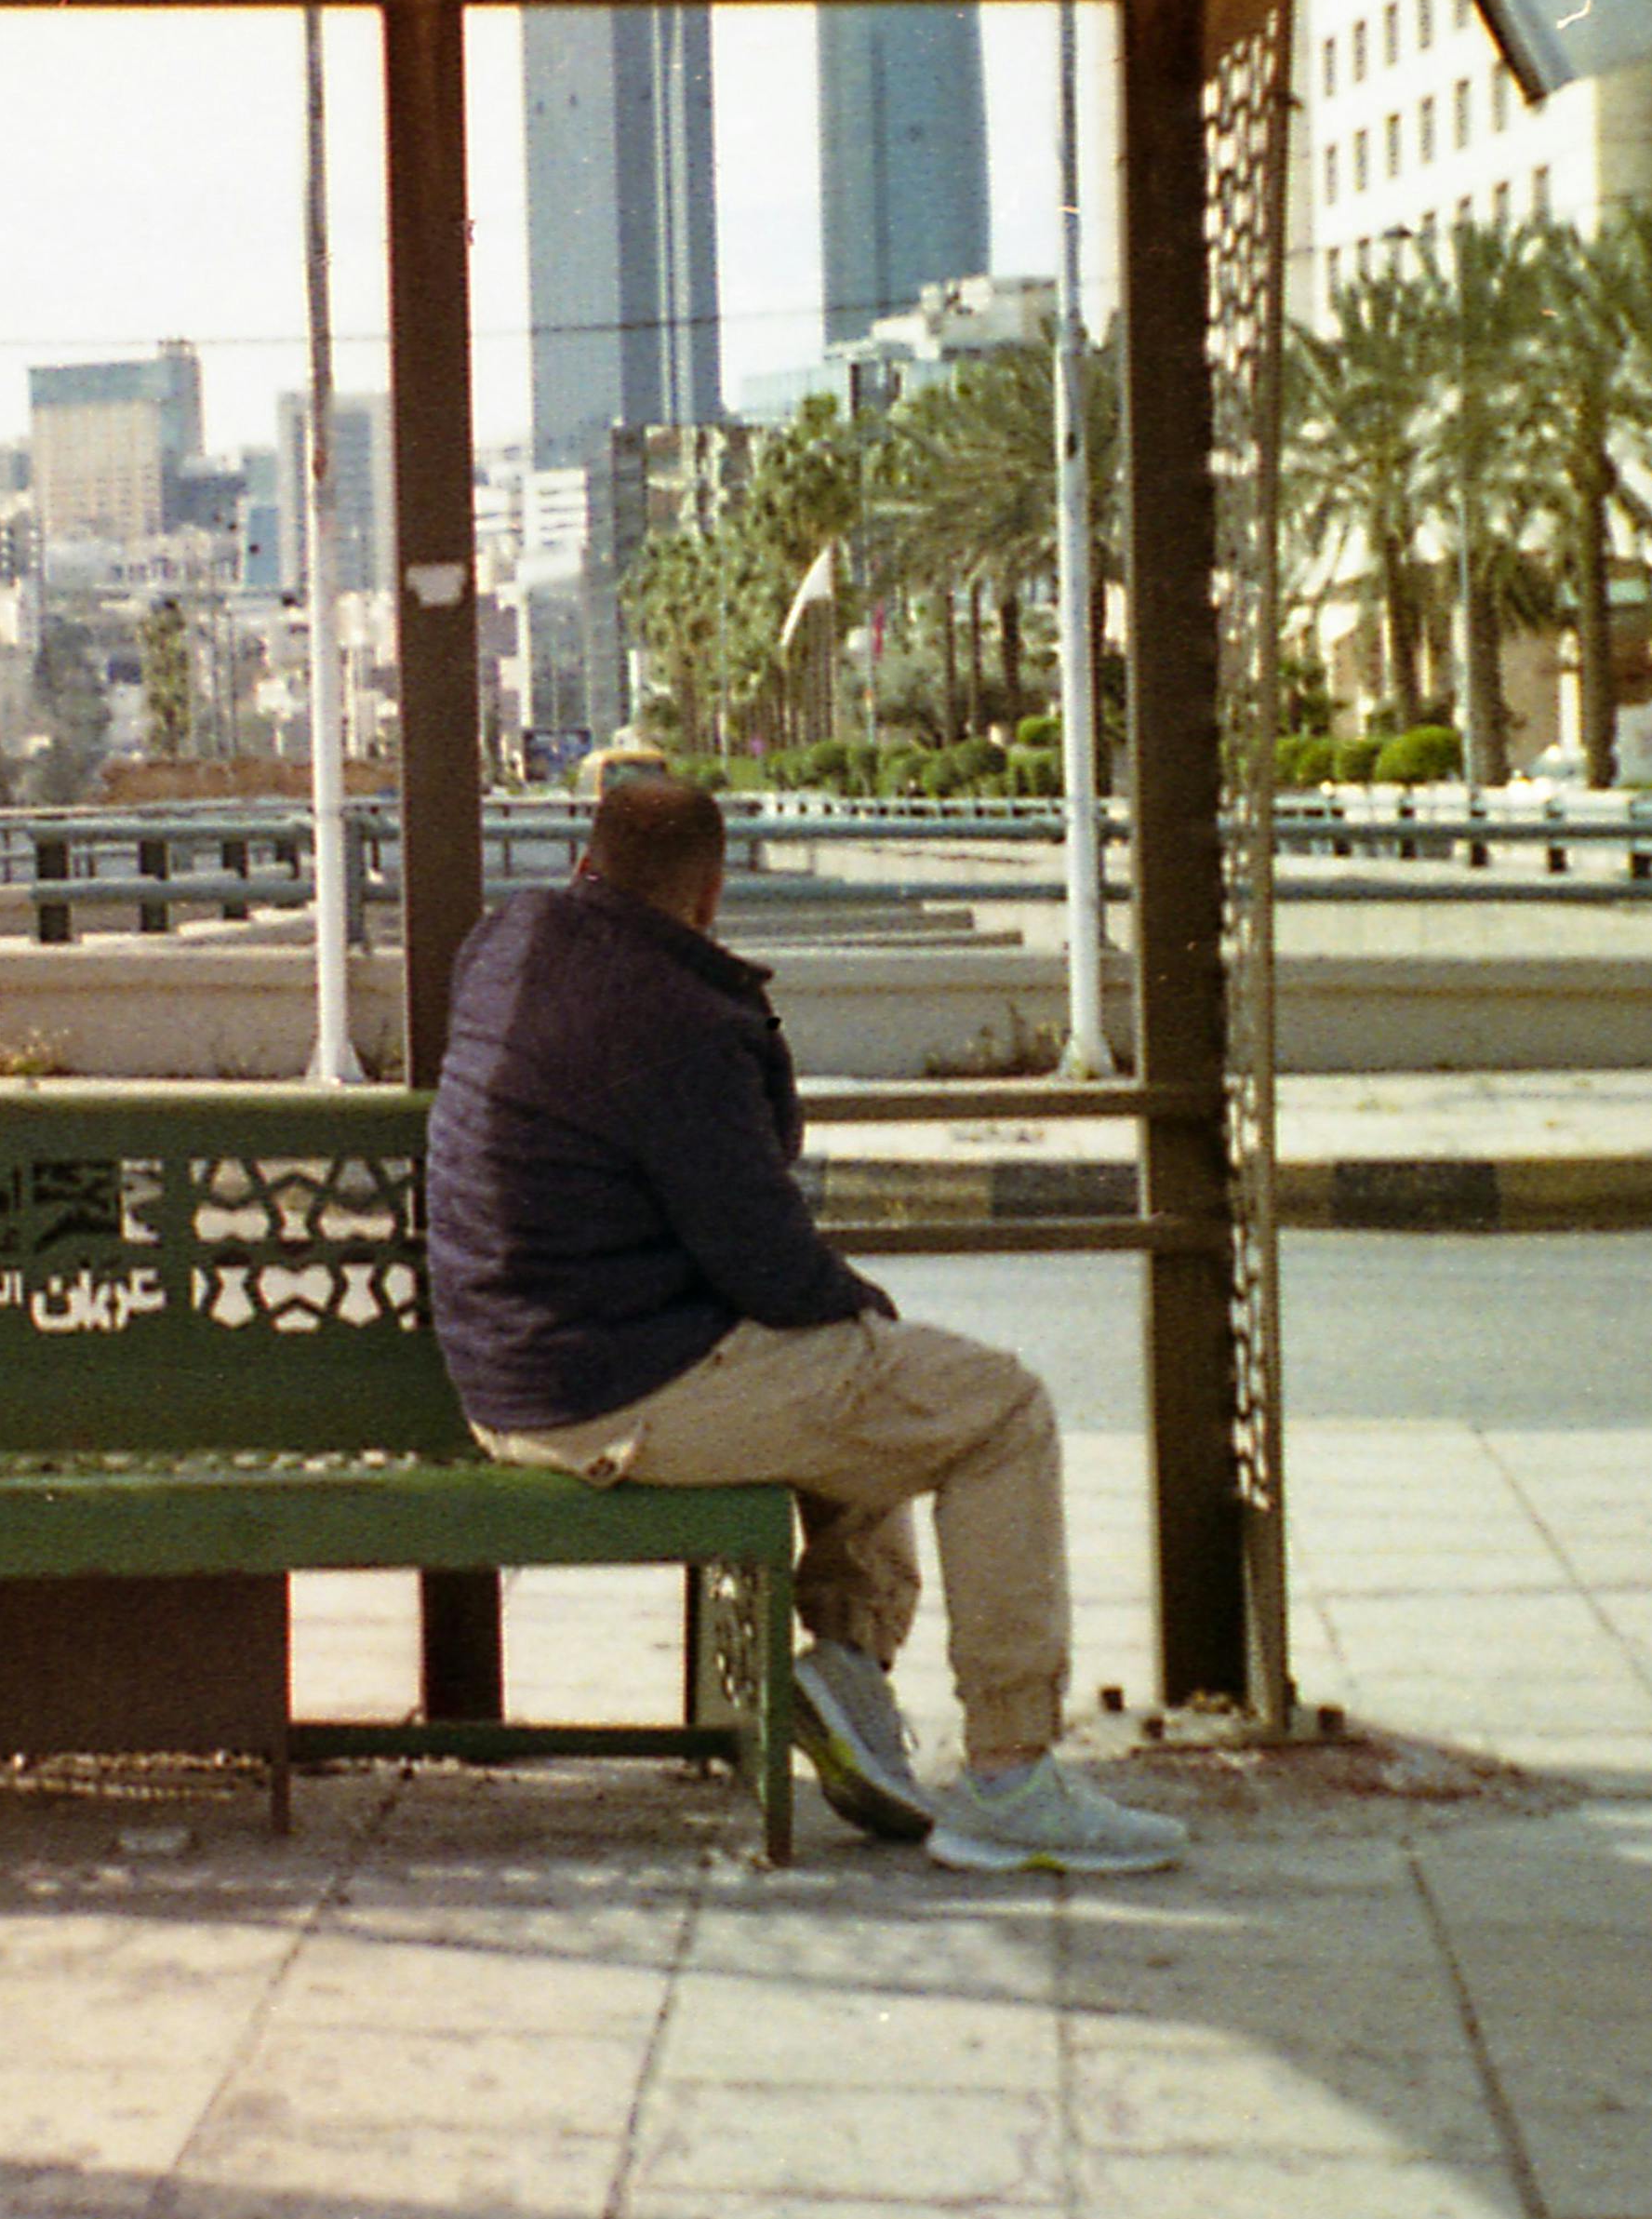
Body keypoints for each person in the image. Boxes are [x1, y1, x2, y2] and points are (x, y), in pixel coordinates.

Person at [424, 774, 1183, 1874]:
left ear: (584, 863)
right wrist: (857, 1308)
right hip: (614, 1396)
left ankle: (849, 1676)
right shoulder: (678, 1018)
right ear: (710, 893)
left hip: (516, 1382)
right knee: (996, 1408)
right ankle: (1010, 1778)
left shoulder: (505, 943)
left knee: (866, 1376)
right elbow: (764, 1257)